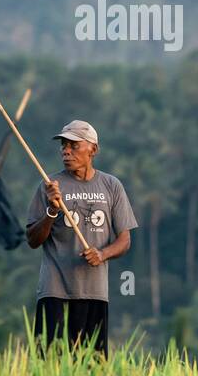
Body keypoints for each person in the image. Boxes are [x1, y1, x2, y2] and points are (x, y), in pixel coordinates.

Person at [25, 120, 137, 356]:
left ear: (93, 150)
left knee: (92, 365)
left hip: (94, 293)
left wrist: (102, 253)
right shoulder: (50, 186)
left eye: (74, 145)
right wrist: (52, 211)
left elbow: (124, 240)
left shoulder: (111, 186)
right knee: (48, 365)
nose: (66, 150)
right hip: (54, 291)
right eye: (64, 145)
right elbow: (33, 240)